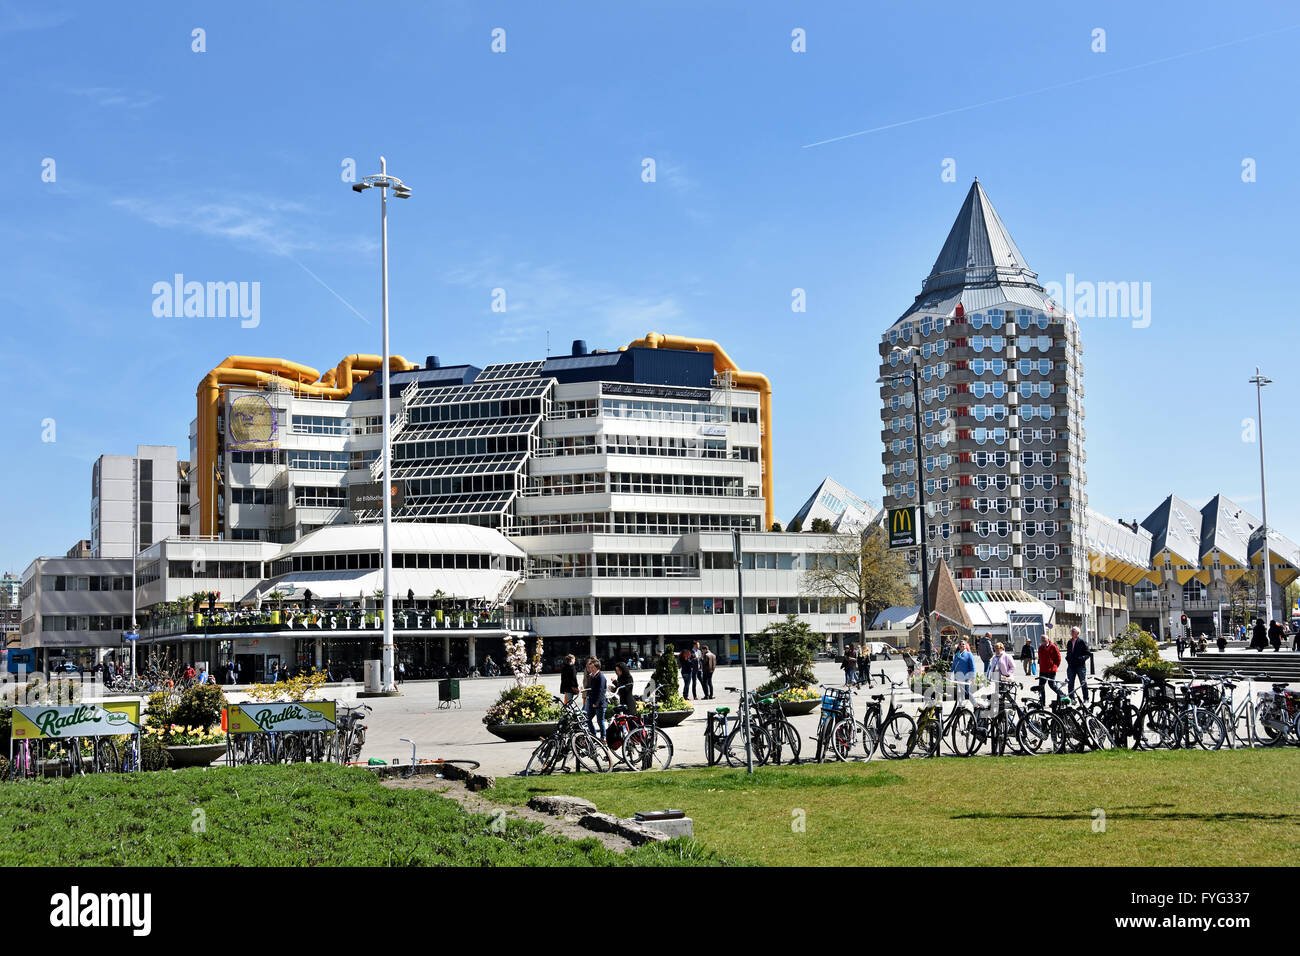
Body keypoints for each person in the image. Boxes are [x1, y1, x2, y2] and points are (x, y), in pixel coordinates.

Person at [583, 657, 607, 740]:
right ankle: (593, 735)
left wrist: (596, 703)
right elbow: (592, 689)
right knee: (587, 719)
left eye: (592, 667)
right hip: (592, 702)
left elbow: (601, 691)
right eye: (590, 668)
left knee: (600, 721)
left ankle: (603, 737)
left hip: (599, 703)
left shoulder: (601, 677)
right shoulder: (592, 676)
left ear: (597, 668)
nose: (591, 669)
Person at [1065, 626, 1090, 703]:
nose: (1071, 632)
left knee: (1083, 683)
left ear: (1078, 633)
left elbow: (1088, 654)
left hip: (1080, 666)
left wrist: (1081, 659)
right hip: (1071, 666)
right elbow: (1068, 653)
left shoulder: (1082, 642)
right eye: (1071, 631)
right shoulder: (1069, 642)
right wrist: (1067, 658)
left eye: (1073, 631)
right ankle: (1072, 699)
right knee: (1070, 683)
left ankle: (1086, 698)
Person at [1038, 637, 1061, 705]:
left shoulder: (1053, 647)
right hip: (1043, 670)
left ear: (1048, 640)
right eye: (1042, 640)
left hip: (1051, 670)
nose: (1043, 641)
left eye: (1044, 640)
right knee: (1041, 686)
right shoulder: (1040, 648)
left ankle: (1061, 695)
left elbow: (1058, 657)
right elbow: (1040, 657)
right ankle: (1042, 702)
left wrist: (1055, 666)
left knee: (1052, 685)